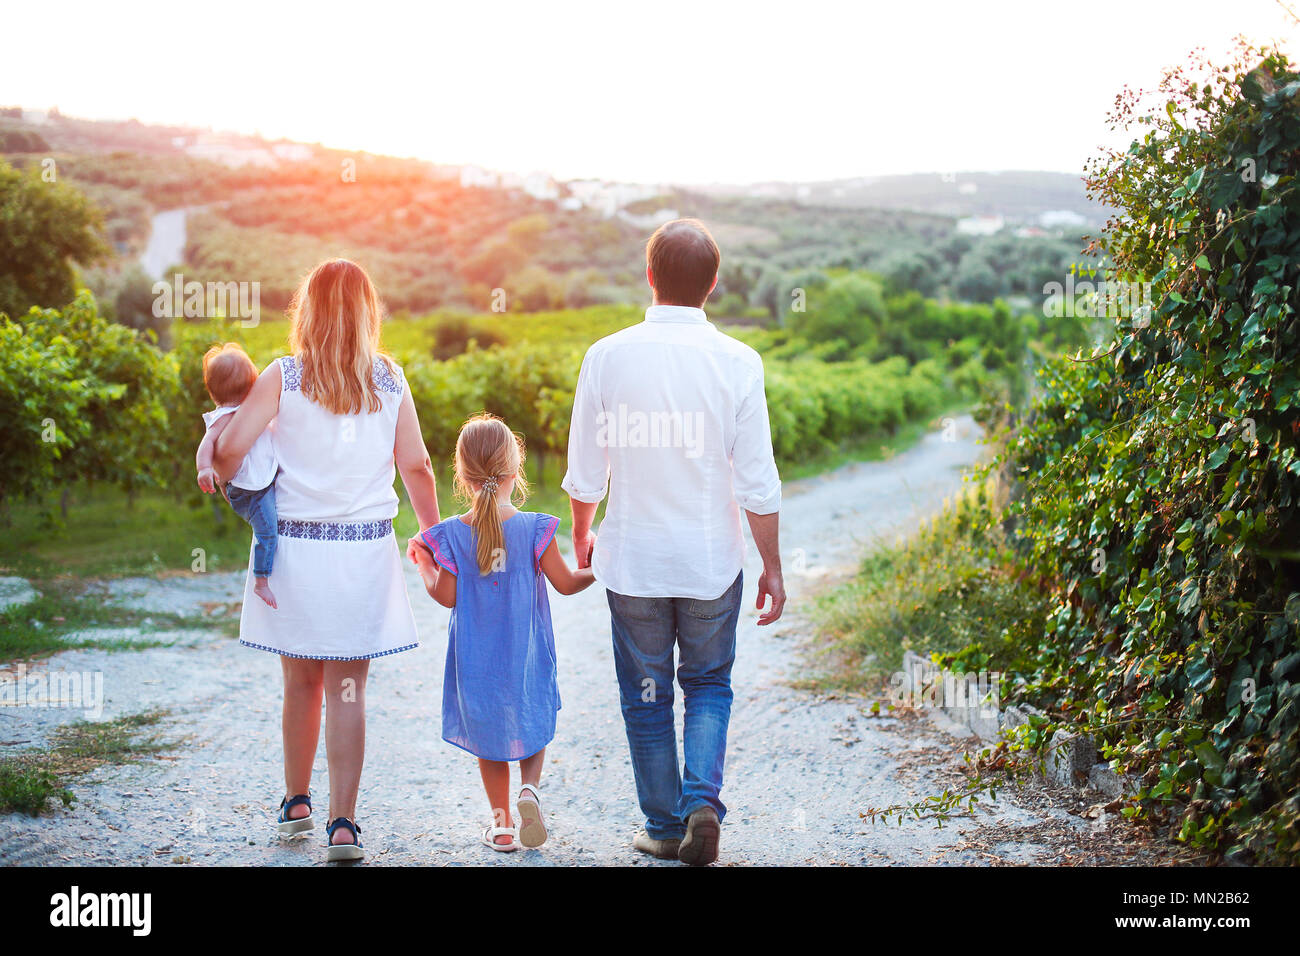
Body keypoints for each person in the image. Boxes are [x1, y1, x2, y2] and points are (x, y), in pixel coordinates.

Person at [562, 218, 786, 866]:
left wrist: (583, 533)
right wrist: (773, 568)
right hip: (711, 563)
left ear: (650, 275)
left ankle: (663, 826)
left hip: (632, 562)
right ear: (713, 283)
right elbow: (759, 483)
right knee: (709, 684)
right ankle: (702, 806)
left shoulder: (605, 356)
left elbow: (584, 470)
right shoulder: (741, 363)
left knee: (648, 695)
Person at [213, 258, 440, 862]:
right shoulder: (390, 380)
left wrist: (220, 458)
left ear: (306, 311)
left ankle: (296, 805)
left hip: (294, 551)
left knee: (299, 685)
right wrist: (432, 535)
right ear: (369, 313)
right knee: (347, 690)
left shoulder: (282, 377)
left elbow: (233, 449)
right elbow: (415, 465)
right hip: (363, 552)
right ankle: (344, 825)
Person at [408, 414, 594, 852]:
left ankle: (504, 825)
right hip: (527, 655)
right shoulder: (534, 527)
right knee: (531, 720)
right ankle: (530, 790)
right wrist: (597, 567)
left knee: (489, 741)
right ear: (516, 470)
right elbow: (566, 583)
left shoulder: (453, 534)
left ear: (463, 474)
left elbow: (446, 596)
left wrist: (424, 564)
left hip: (477, 662)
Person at [196, 342, 279, 609]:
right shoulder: (226, 416)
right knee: (267, 533)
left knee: (270, 529)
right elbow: (207, 443)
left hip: (255, 484)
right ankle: (261, 581)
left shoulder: (252, 411)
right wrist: (204, 468)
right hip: (250, 491)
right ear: (251, 382)